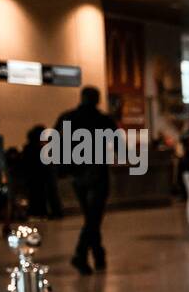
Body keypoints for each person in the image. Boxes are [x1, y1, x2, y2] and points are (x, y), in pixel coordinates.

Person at [55, 85, 117, 275]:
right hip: (97, 173)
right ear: (98, 100)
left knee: (90, 216)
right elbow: (117, 145)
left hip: (77, 175)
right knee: (93, 217)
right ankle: (81, 254)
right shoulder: (104, 120)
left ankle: (98, 254)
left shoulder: (67, 117)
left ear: (81, 98)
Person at [21, 124, 63, 219]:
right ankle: (55, 212)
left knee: (37, 194)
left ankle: (39, 212)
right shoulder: (45, 147)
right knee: (51, 192)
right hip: (46, 172)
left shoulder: (29, 148)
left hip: (34, 175)